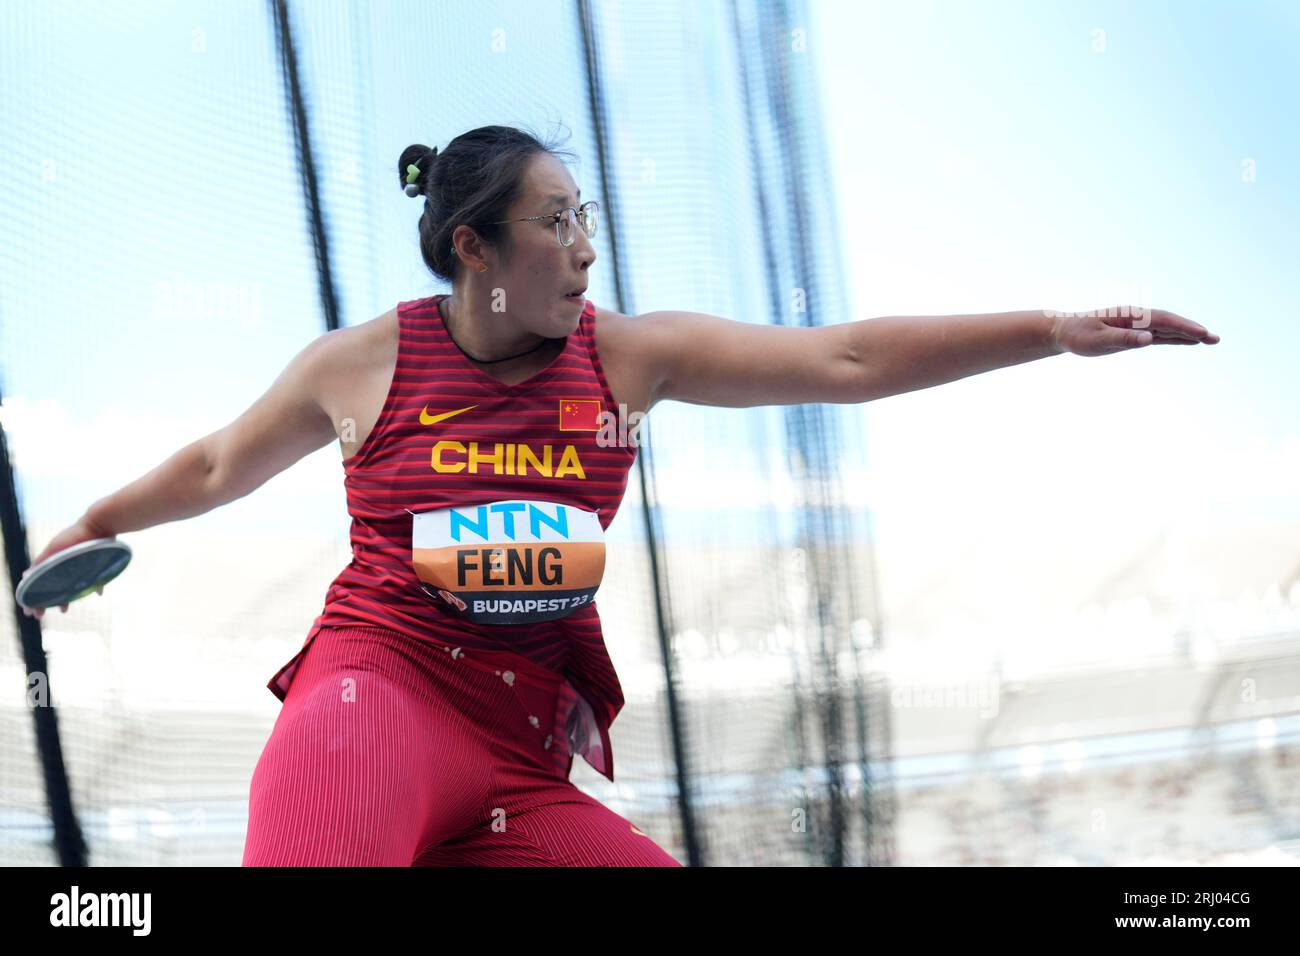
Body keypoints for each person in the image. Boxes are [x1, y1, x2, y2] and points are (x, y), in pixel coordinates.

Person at [23, 124, 1218, 866]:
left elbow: (843, 359)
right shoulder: (363, 363)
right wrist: (97, 523)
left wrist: (1051, 331)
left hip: (522, 747)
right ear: (474, 248)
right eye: (557, 221)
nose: (587, 247)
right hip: (373, 695)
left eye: (587, 217)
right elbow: (222, 463)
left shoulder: (627, 359)